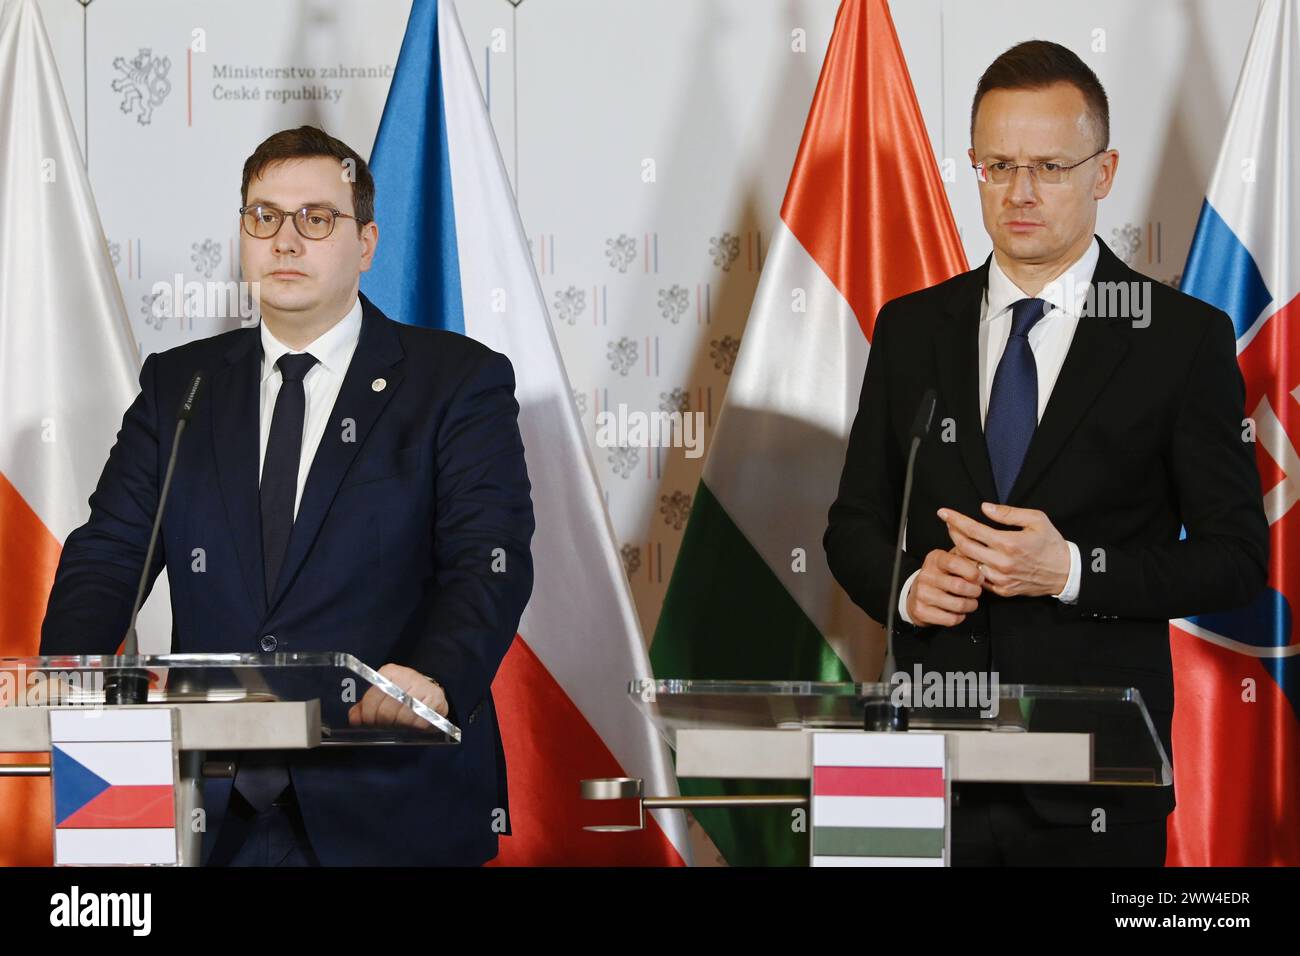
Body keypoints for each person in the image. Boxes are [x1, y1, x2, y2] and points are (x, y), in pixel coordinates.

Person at [40, 125, 535, 866]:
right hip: (203, 811)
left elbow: (487, 561)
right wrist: (67, 674)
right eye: (263, 217)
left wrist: (432, 675)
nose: (285, 241)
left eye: (317, 218)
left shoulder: (456, 382)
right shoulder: (182, 385)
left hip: (386, 799)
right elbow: (111, 553)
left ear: (366, 243)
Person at [824, 41, 1268, 865]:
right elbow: (853, 524)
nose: (1021, 193)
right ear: (974, 169)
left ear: (1104, 172)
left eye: (1051, 167)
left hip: (1093, 781)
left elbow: (1236, 560)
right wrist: (915, 585)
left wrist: (1068, 571)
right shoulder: (912, 328)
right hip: (915, 769)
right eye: (998, 165)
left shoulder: (1178, 340)